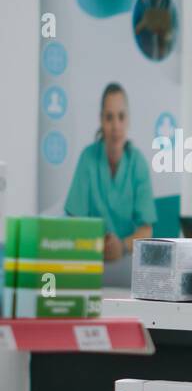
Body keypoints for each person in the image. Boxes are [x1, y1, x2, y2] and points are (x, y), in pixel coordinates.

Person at [65, 83, 155, 262]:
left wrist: (121, 246)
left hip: (128, 262)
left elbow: (146, 231)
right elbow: (73, 222)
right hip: (89, 259)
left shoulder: (138, 164)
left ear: (128, 120)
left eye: (121, 117)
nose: (116, 126)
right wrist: (100, 244)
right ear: (101, 120)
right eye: (109, 117)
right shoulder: (88, 159)